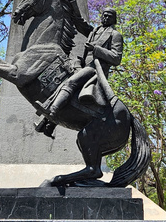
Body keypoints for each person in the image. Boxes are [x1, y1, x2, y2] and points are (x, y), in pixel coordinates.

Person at [34, 8, 123, 137]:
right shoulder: (94, 31)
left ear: (114, 19)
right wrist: (71, 1)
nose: (106, 18)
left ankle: (52, 111)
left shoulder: (115, 35)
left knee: (71, 82)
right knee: (63, 84)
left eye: (109, 16)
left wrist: (96, 49)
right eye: (104, 15)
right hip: (83, 65)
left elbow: (116, 58)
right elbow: (80, 23)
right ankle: (49, 125)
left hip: (95, 69)